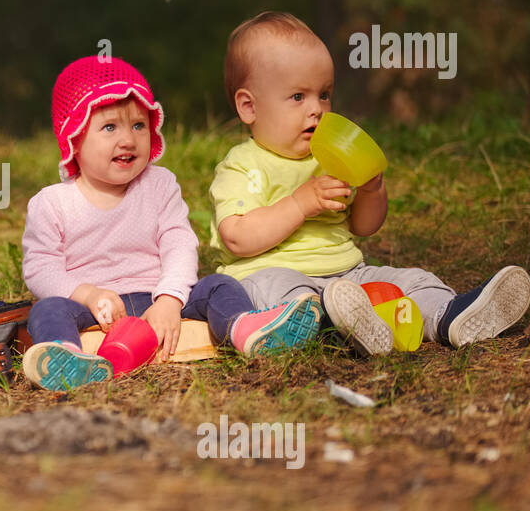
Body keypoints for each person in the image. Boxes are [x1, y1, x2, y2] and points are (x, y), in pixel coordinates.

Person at [208, 11, 530, 354]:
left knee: (409, 280)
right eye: (298, 97)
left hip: (346, 276)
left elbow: (364, 226)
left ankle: (449, 315)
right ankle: (331, 325)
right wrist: (300, 204)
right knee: (285, 292)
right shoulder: (242, 166)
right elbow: (237, 237)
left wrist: (371, 188)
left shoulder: (329, 158)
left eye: (324, 94)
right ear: (249, 107)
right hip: (273, 274)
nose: (317, 109)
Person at [19, 55, 322, 392]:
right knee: (47, 309)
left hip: (156, 294)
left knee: (219, 286)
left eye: (138, 125)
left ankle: (248, 330)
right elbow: (41, 268)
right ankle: (67, 356)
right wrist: (87, 294)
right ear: (73, 139)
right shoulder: (52, 203)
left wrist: (169, 300)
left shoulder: (160, 185)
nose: (128, 139)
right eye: (109, 127)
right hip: (92, 309)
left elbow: (179, 244)